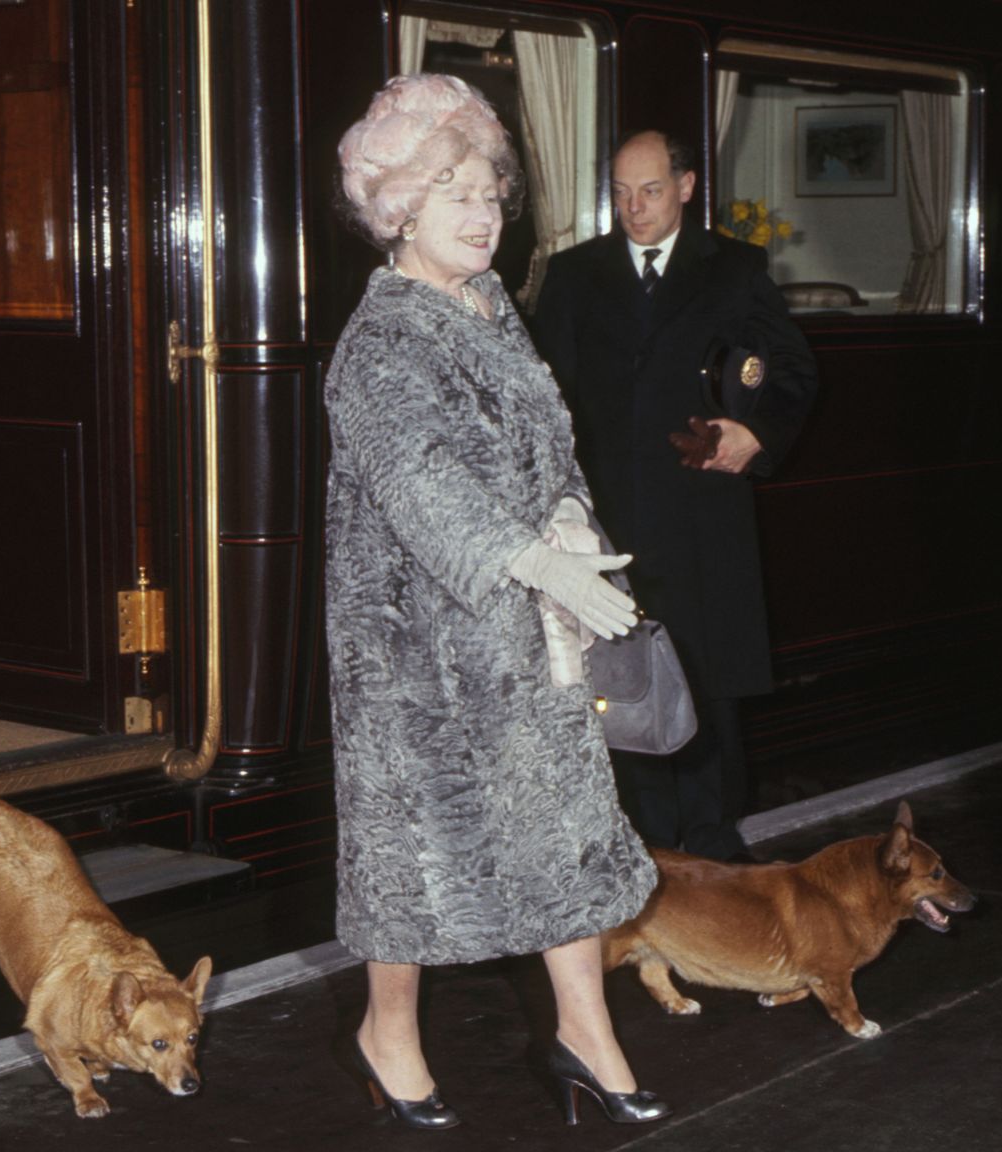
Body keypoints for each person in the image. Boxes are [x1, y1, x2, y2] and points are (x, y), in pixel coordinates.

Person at [324, 74, 667, 1130]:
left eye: (488, 193)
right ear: (397, 210)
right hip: (414, 651)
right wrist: (530, 558)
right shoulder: (378, 341)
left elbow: (547, 442)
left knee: (566, 828)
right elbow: (420, 483)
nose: (480, 215)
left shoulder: (487, 306)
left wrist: (569, 524)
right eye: (451, 194)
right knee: (412, 851)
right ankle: (387, 1035)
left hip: (528, 634)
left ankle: (585, 1033)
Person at [531, 130, 818, 861]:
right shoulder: (572, 275)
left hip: (702, 514)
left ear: (687, 187)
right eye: (622, 193)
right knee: (623, 684)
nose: (634, 208)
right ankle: (646, 851)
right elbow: (539, 397)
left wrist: (757, 437)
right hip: (605, 520)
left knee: (708, 679)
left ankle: (716, 849)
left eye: (651, 191)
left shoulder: (733, 268)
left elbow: (792, 375)